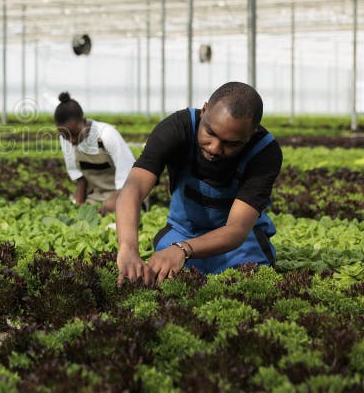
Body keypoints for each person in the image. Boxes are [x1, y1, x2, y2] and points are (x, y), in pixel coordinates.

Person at [116, 82, 282, 286]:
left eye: (231, 143)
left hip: (236, 246)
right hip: (183, 231)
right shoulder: (176, 128)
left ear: (251, 134)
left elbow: (237, 228)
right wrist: (128, 248)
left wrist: (183, 249)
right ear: (204, 111)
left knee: (248, 280)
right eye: (210, 133)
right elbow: (134, 188)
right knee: (160, 277)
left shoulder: (265, 153)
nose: (214, 148)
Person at [55, 92, 136, 215]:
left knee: (123, 216)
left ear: (83, 121)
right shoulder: (66, 139)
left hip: (126, 193)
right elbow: (80, 178)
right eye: (65, 135)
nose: (71, 140)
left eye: (75, 134)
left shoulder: (106, 135)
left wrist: (108, 207)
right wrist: (79, 207)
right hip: (98, 196)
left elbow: (129, 178)